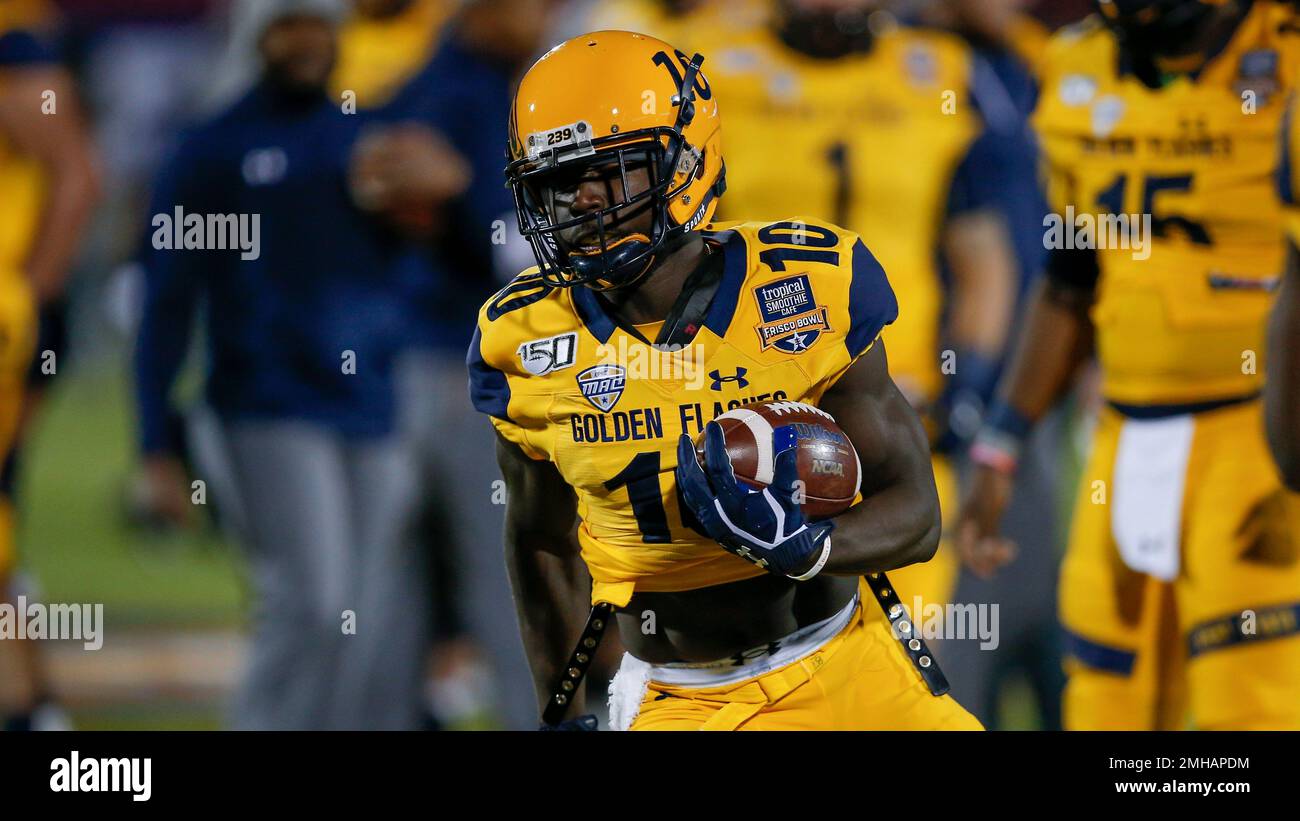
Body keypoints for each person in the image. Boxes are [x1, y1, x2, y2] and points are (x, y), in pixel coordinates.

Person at [470, 29, 982, 730]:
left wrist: (810, 547)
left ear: (684, 159)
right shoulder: (525, 338)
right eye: (559, 180)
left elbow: (916, 509)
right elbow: (541, 540)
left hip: (852, 661)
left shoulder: (806, 286)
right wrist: (564, 707)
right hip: (686, 698)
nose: (582, 199)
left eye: (611, 170)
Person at [958, 0, 1300, 729]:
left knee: (1255, 702)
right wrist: (1001, 442)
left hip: (1262, 429)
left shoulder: (1285, 55)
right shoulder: (1075, 65)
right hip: (1124, 430)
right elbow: (1070, 278)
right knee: (1105, 694)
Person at [133, 0, 426, 729]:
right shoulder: (209, 146)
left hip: (373, 401)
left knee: (367, 618)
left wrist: (427, 205)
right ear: (256, 33)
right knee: (313, 601)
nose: (304, 40)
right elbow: (168, 300)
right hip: (266, 401)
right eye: (286, 22)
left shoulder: (370, 135)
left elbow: (414, 270)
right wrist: (153, 443)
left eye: (317, 22)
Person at [0, 0, 100, 731]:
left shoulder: (18, 46)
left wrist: (26, 305)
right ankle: (31, 704)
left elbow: (76, 177)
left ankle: (34, 705)